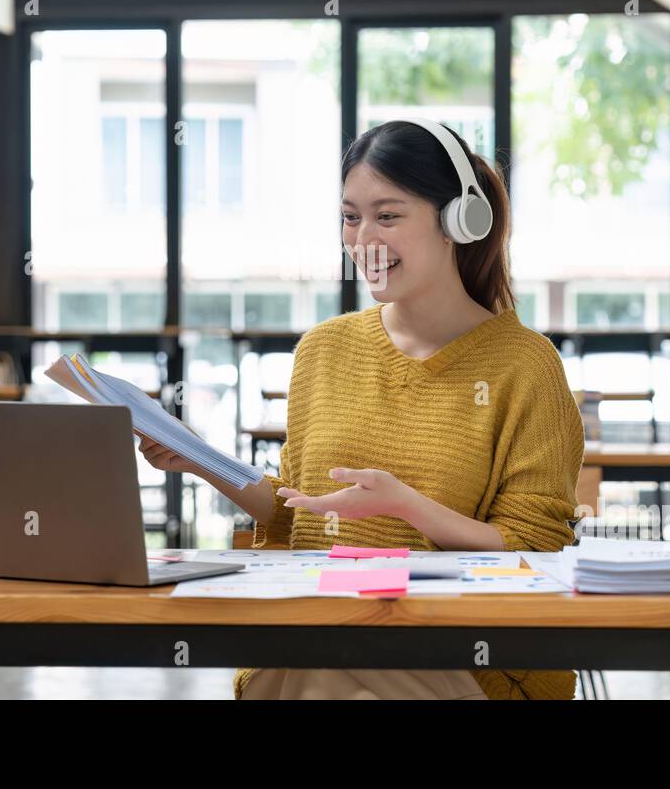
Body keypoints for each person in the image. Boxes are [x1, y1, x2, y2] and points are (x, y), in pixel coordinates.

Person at [139, 119, 584, 699]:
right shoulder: (324, 351)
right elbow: (294, 512)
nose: (364, 239)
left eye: (388, 216)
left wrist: (408, 507)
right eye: (351, 216)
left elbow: (537, 554)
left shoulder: (527, 367)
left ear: (459, 220)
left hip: (464, 655)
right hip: (324, 632)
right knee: (327, 664)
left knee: (321, 669)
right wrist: (199, 461)